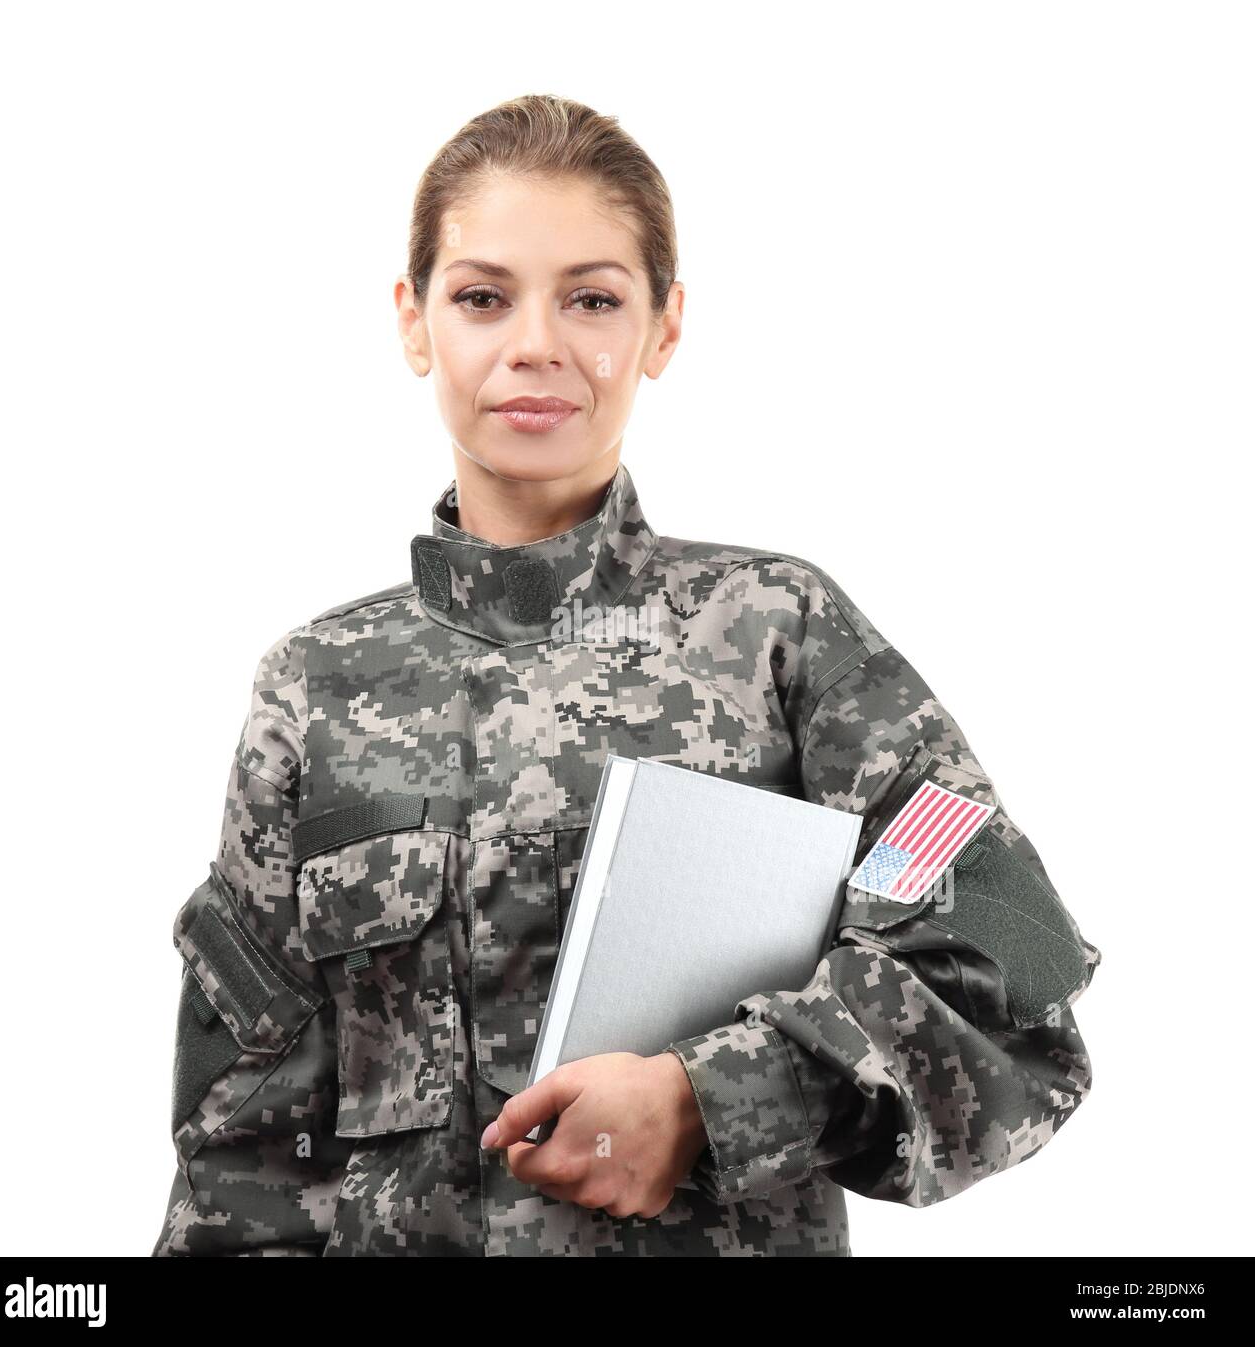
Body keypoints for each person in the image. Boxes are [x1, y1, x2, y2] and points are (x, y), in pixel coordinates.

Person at [154, 93, 1100, 1258]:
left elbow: (1009, 957)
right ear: (415, 324)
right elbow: (242, 1157)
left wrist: (713, 1097)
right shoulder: (315, 686)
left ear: (663, 327)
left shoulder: (777, 635)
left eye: (592, 298)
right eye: (482, 297)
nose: (536, 343)